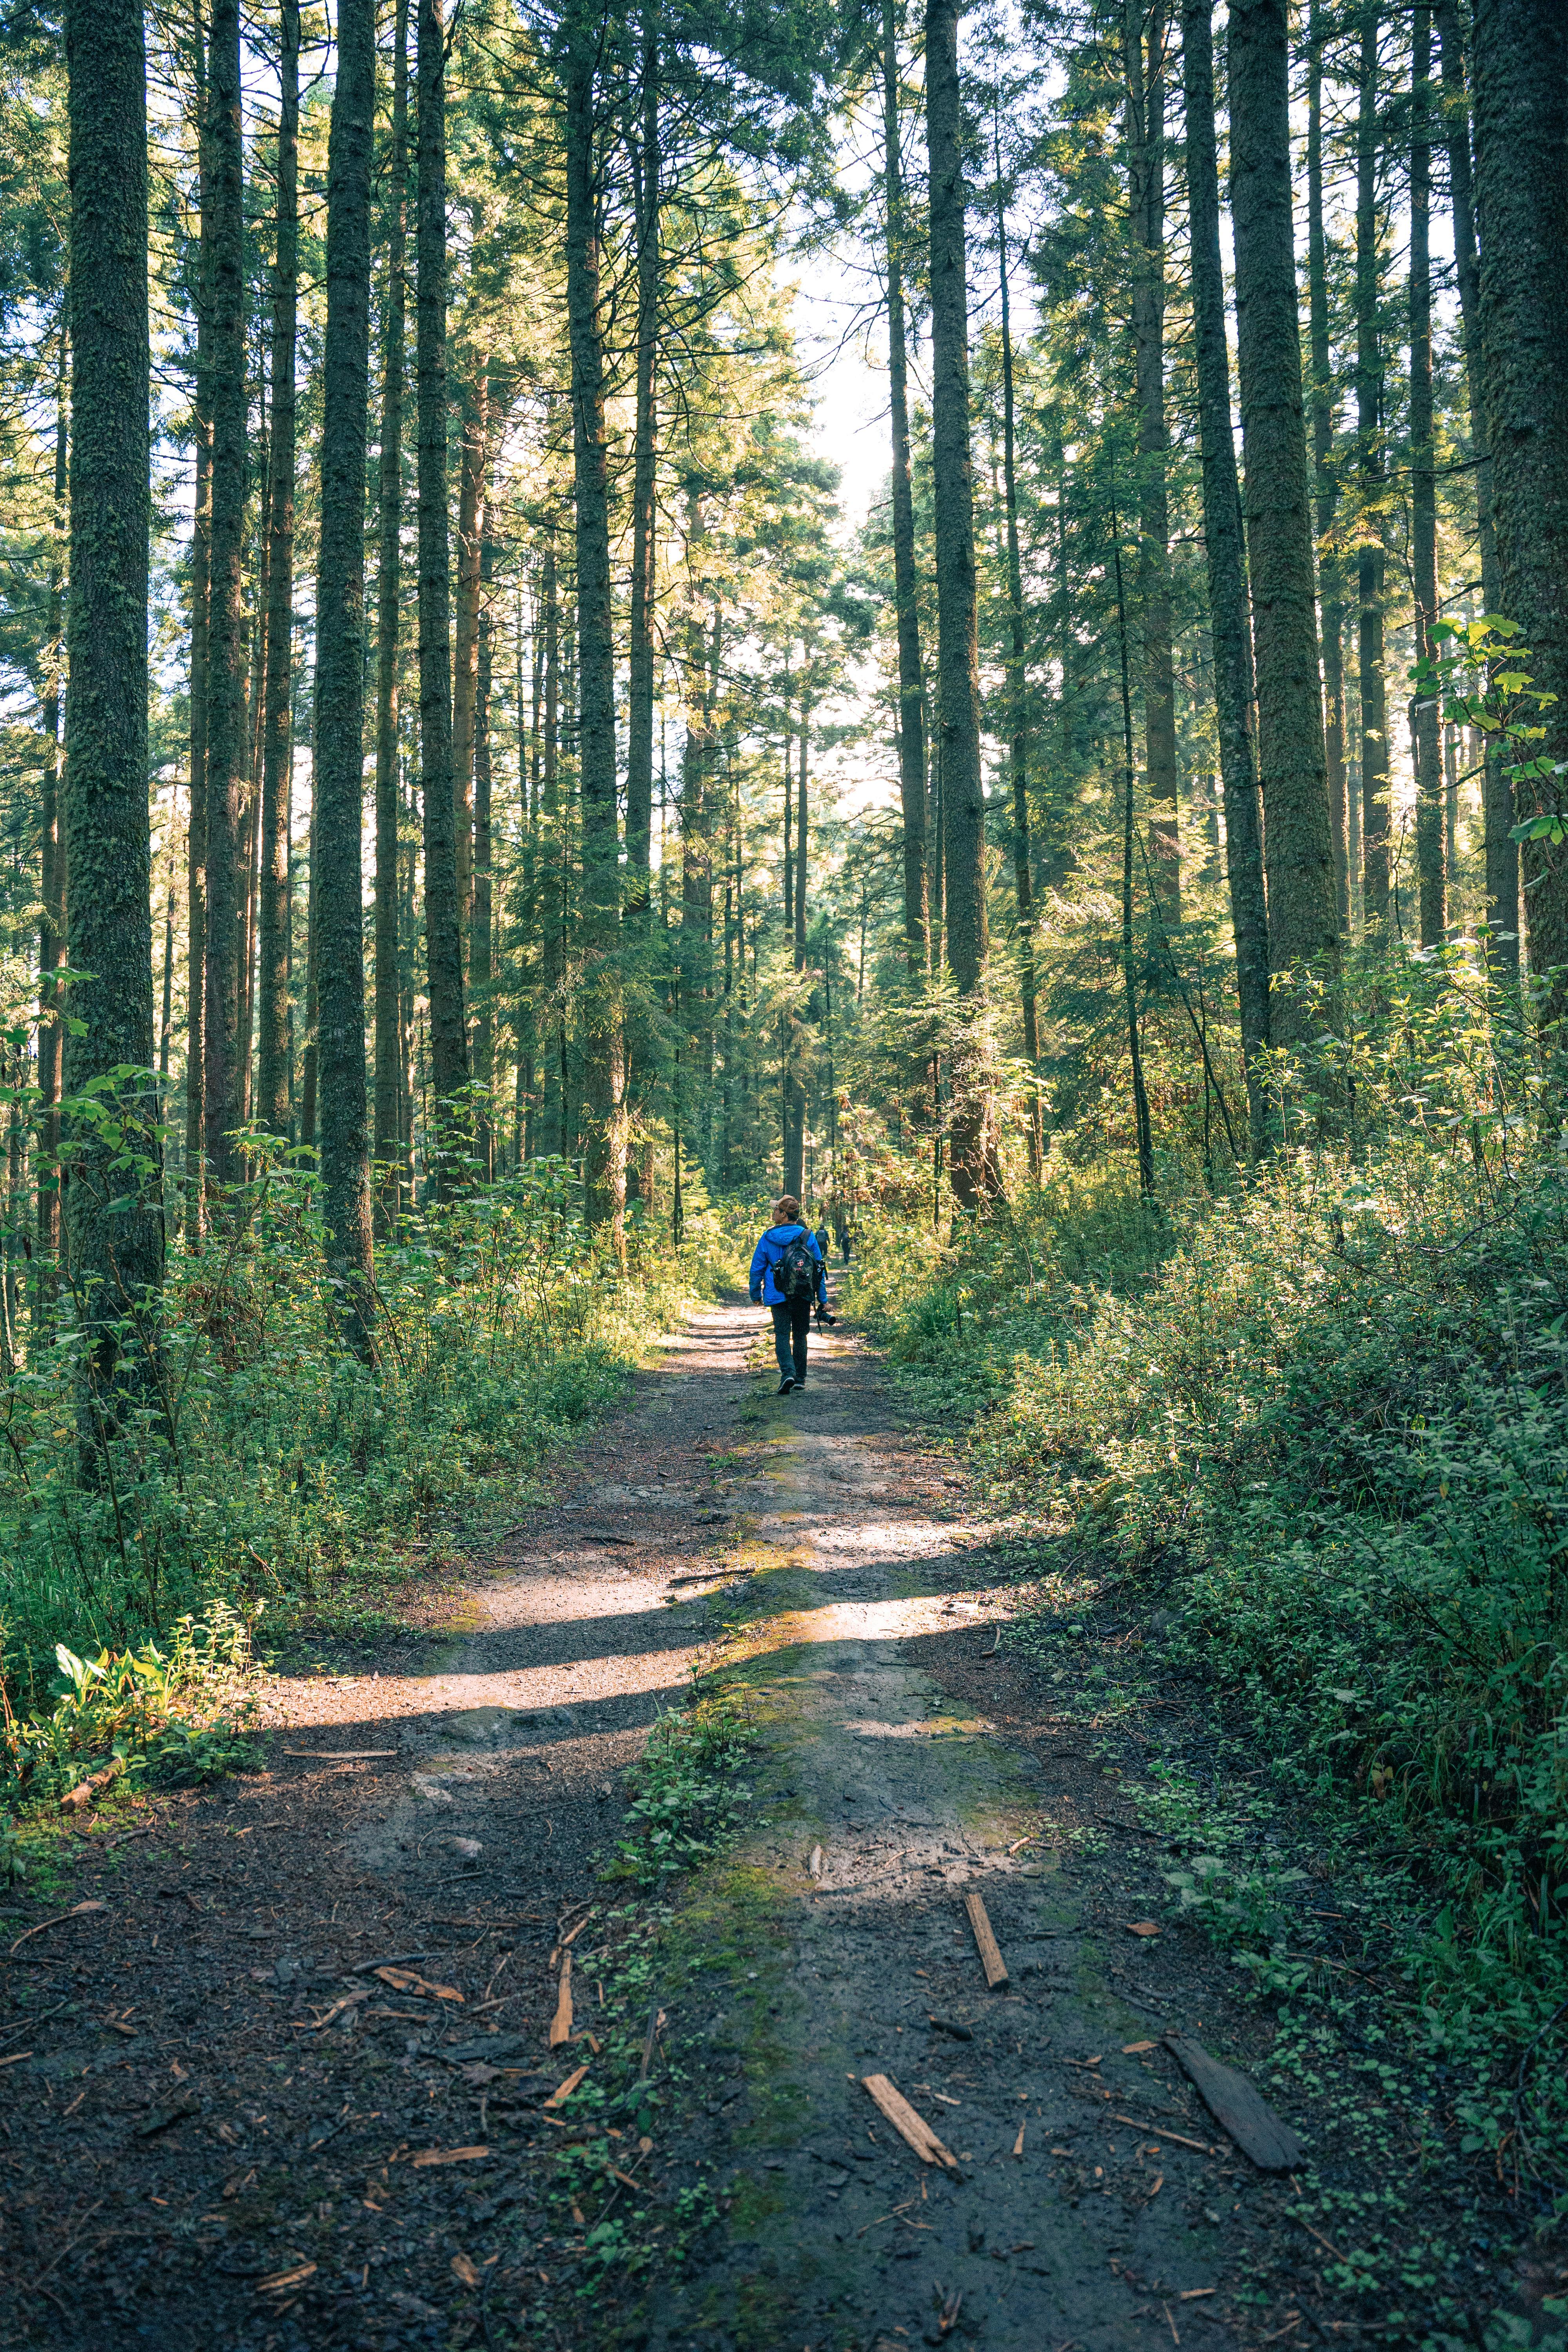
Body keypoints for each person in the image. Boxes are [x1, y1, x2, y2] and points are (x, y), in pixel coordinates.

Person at [749, 1192, 827, 1394]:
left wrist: (756, 1293)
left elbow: (757, 1267)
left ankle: (788, 1374)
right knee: (801, 1335)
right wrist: (823, 1298)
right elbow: (818, 1268)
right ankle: (800, 1379)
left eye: (776, 1210)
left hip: (777, 1293)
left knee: (782, 1334)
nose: (774, 1213)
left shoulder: (767, 1237)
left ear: (784, 1215)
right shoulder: (807, 1236)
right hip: (802, 1293)